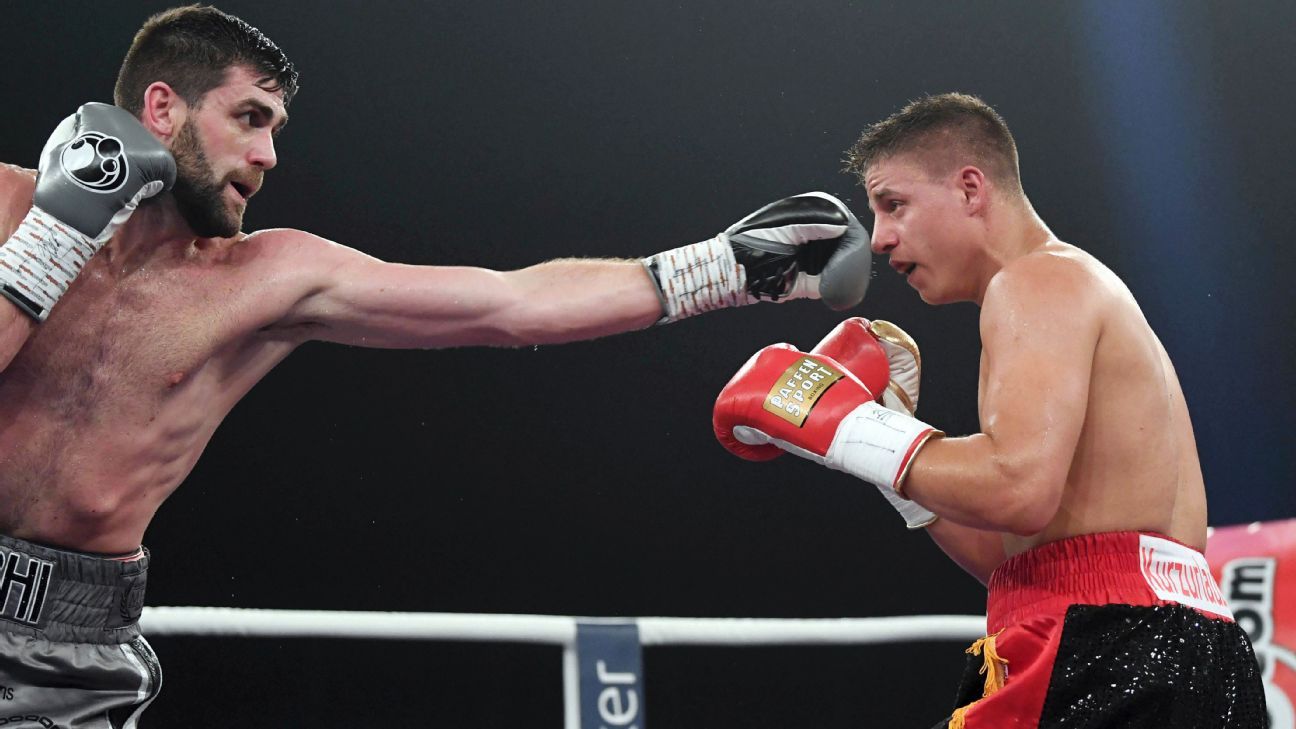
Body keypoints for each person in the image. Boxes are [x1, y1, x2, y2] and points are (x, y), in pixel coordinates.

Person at [0, 6, 873, 725]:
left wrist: (720, 268)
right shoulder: (10, 206)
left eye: (274, 130)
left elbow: (507, 304)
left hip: (68, 649)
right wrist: (56, 230)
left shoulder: (266, 278)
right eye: (250, 119)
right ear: (163, 109)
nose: (268, 157)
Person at [712, 93, 1267, 727]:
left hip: (1107, 650)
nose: (882, 238)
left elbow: (1017, 489)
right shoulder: (1076, 287)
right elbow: (1020, 560)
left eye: (894, 204)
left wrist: (850, 427)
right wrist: (888, 454)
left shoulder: (1033, 281)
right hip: (1186, 646)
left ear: (971, 189)